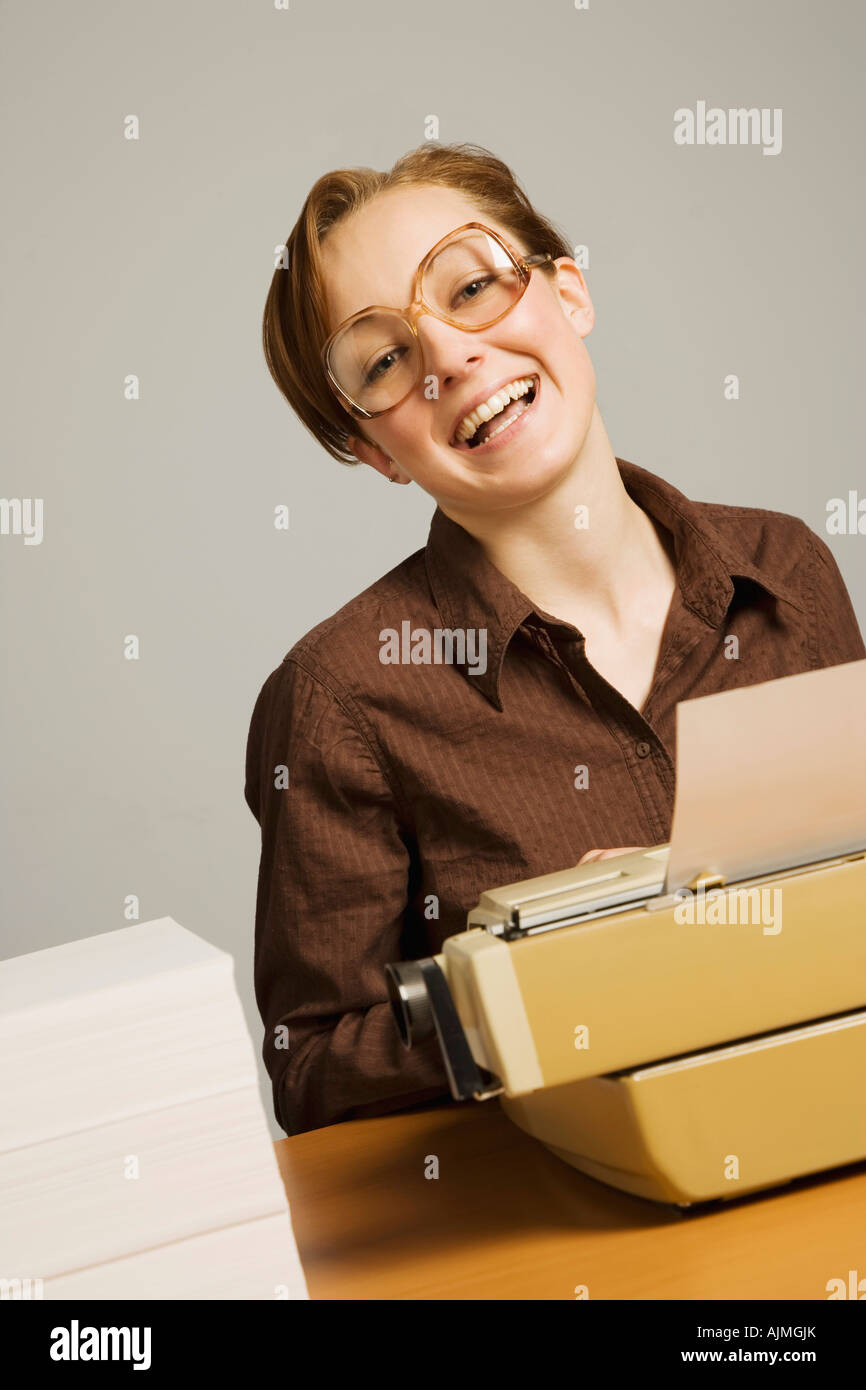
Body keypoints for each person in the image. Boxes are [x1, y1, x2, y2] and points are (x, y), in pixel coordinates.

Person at [246, 142, 864, 1137]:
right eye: (386, 360)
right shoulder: (338, 699)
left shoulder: (784, 568)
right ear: (371, 449)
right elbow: (310, 1070)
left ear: (565, 291)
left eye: (473, 286)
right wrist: (542, 979)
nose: (449, 356)